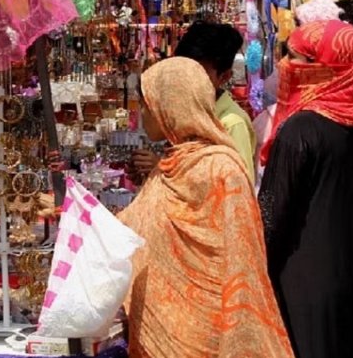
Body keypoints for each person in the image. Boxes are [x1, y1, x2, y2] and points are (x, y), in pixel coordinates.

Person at [119, 57, 293, 358]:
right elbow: (130, 230)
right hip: (164, 330)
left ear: (171, 105)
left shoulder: (222, 169)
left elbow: (242, 258)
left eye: (147, 104)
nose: (143, 114)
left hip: (211, 332)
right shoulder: (172, 166)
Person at [258, 20, 353, 358]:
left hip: (302, 286)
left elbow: (270, 218)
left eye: (297, 59)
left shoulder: (301, 130)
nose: (286, 66)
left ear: (326, 69)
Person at [130, 21, 256, 182]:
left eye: (199, 73)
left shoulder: (232, 123)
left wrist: (163, 169)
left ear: (224, 77)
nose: (187, 78)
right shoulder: (185, 114)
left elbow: (237, 190)